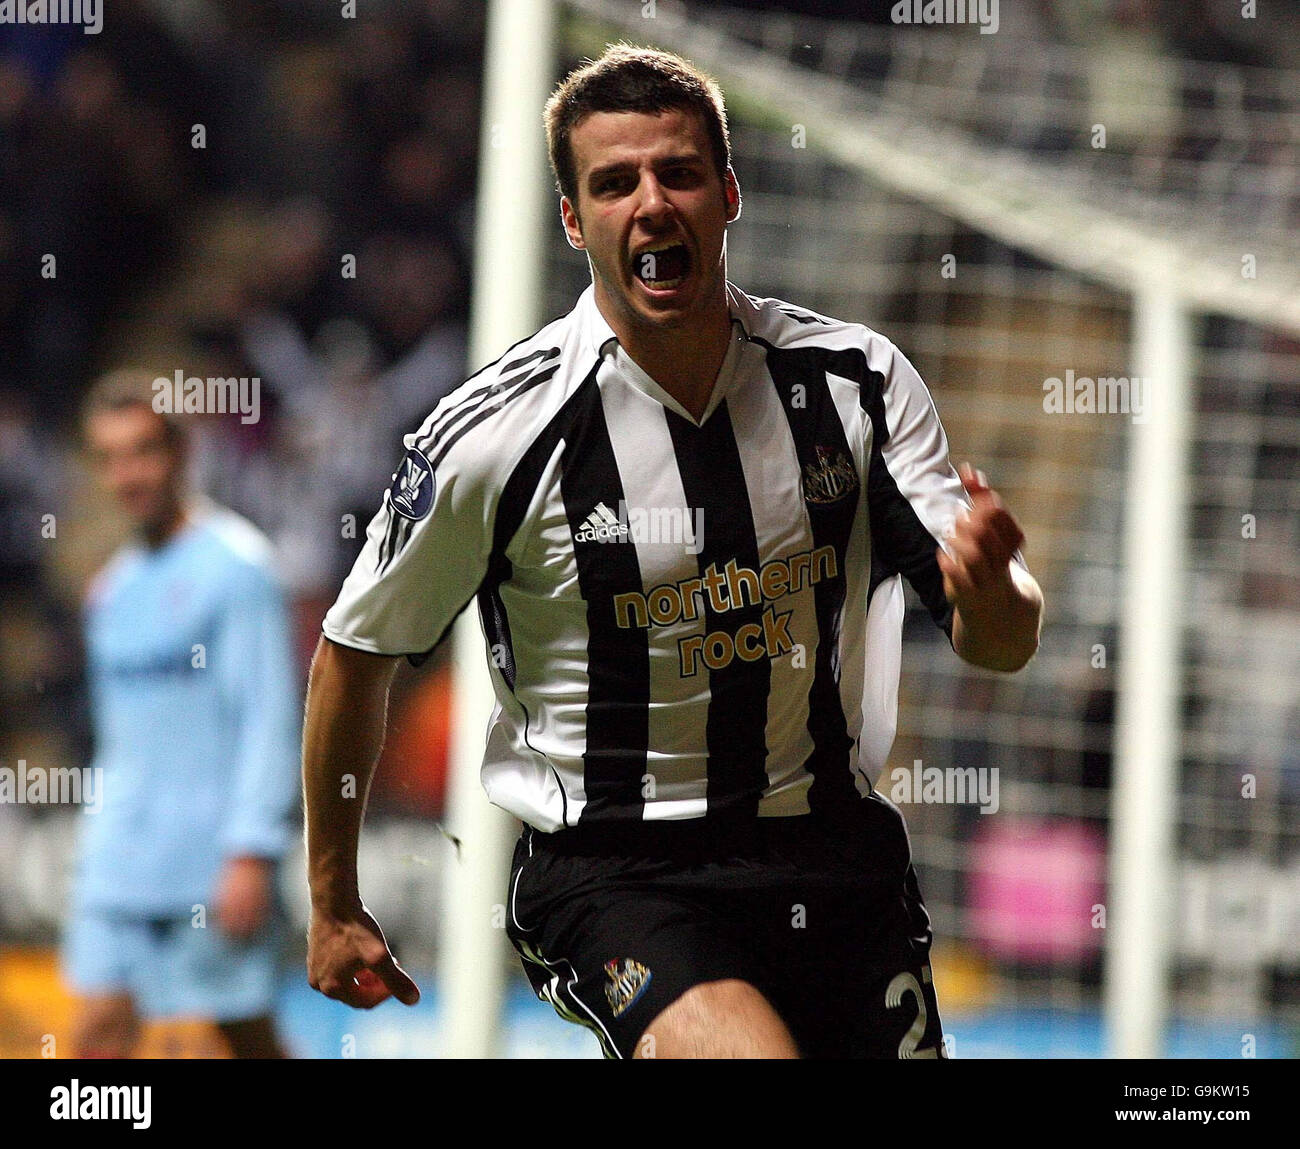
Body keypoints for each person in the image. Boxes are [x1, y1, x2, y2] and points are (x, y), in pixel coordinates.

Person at [303, 45, 1043, 1059]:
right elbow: (356, 651)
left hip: (830, 850)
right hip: (617, 871)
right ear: (573, 221)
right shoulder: (493, 437)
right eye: (613, 182)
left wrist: (993, 586)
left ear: (728, 193)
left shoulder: (853, 386)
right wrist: (334, 902)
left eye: (679, 172)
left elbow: (997, 642)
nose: (651, 203)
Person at [62, 370, 300, 1059]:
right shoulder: (110, 590)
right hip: (117, 864)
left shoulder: (239, 568)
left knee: (241, 1039)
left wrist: (251, 849)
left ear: (179, 454)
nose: (126, 473)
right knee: (94, 1041)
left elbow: (269, 720)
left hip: (207, 860)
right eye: (108, 457)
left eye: (141, 450)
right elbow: (122, 737)